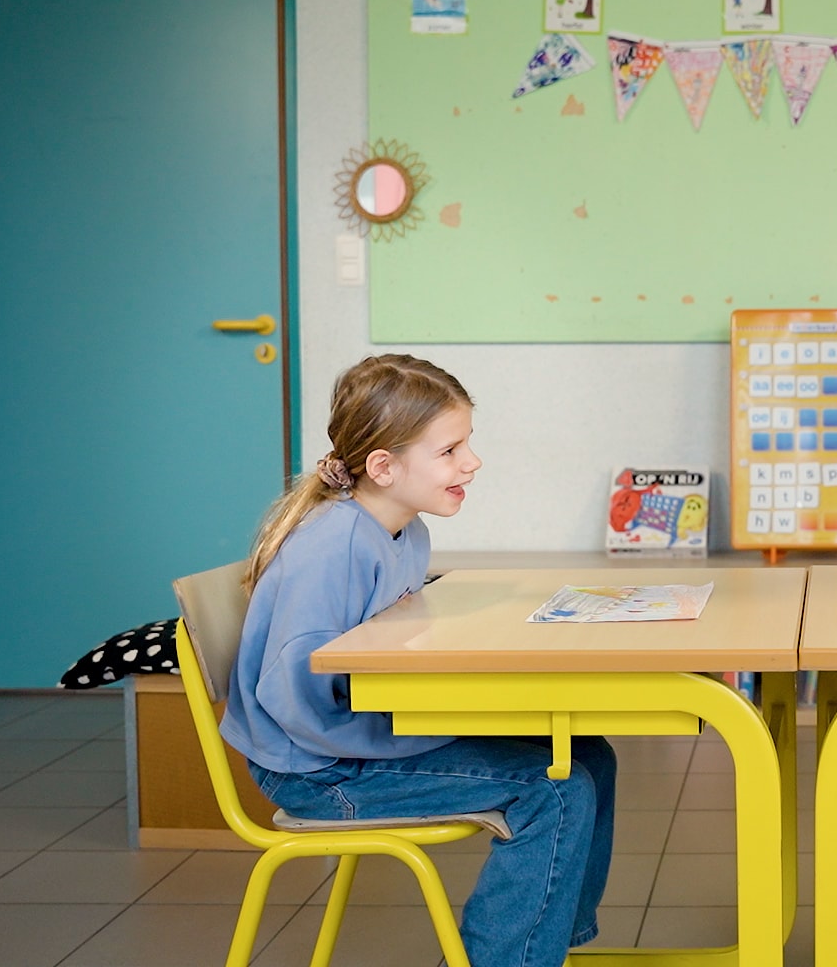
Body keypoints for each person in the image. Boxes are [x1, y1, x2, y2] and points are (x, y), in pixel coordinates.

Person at [222, 355, 616, 967]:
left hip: (361, 739)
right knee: (556, 792)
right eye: (450, 450)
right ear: (383, 466)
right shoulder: (333, 547)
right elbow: (292, 696)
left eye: (468, 445)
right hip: (319, 769)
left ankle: (551, 941)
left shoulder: (406, 530)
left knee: (587, 751)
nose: (472, 462)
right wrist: (422, 729)